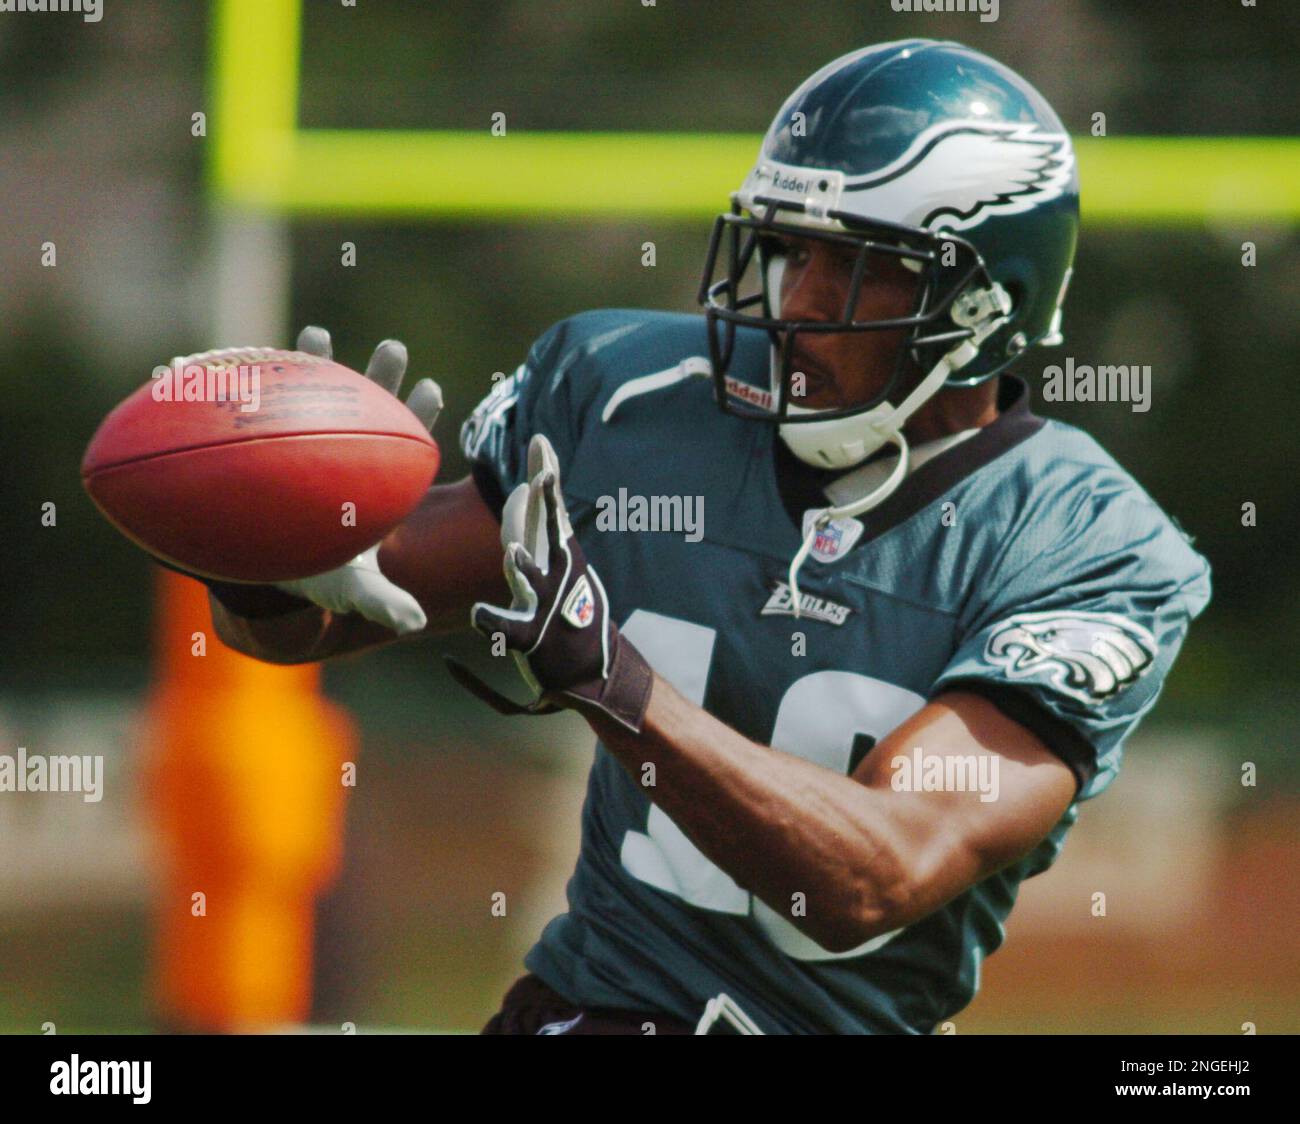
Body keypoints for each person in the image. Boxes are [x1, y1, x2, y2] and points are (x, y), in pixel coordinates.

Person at [205, 40, 1210, 1034]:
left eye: (857, 264)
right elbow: (308, 621)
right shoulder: (638, 399)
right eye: (789, 248)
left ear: (987, 305)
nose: (800, 299)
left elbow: (877, 870)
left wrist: (611, 679)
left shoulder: (1084, 540)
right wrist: (276, 545)